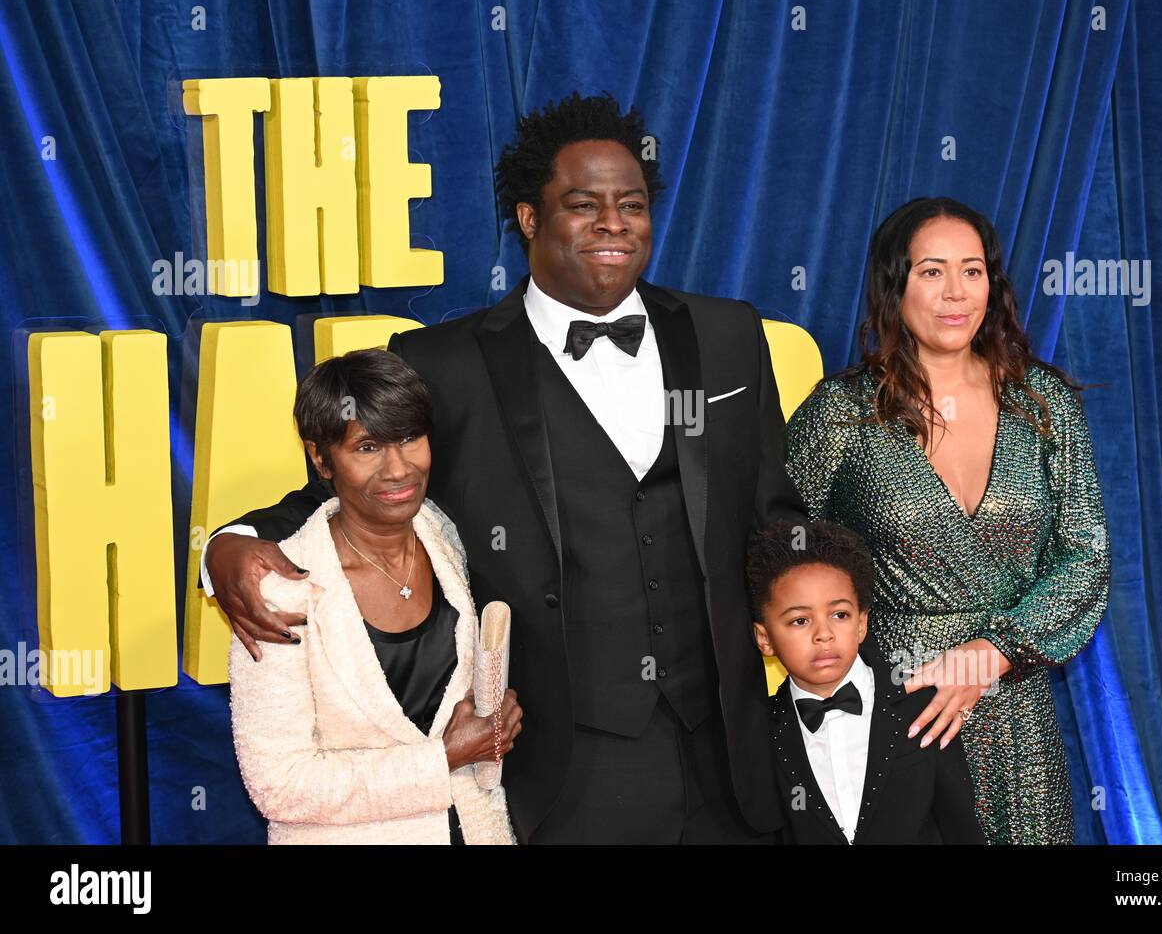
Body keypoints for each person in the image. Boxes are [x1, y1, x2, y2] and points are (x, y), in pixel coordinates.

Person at [203, 93, 806, 844]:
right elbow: (360, 486)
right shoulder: (446, 363)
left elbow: (774, 513)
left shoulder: (726, 336)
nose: (614, 223)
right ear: (529, 219)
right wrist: (227, 545)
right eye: (583, 205)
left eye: (632, 204)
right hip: (564, 765)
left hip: (729, 755)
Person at [784, 197, 1110, 844]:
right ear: (892, 285)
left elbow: (1087, 558)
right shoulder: (840, 415)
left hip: (1015, 712)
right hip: (893, 707)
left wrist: (991, 654)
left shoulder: (1043, 405)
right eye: (931, 271)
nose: (955, 292)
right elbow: (781, 558)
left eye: (972, 270)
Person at [227, 349, 521, 844]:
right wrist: (442, 758)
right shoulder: (282, 592)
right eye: (367, 448)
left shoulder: (443, 535)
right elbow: (279, 785)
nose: (399, 469)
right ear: (320, 458)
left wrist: (494, 722)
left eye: (410, 439)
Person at [747, 519, 986, 844]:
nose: (823, 634)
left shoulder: (921, 705)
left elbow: (960, 825)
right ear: (765, 638)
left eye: (839, 615)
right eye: (800, 620)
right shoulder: (763, 730)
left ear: (862, 624)